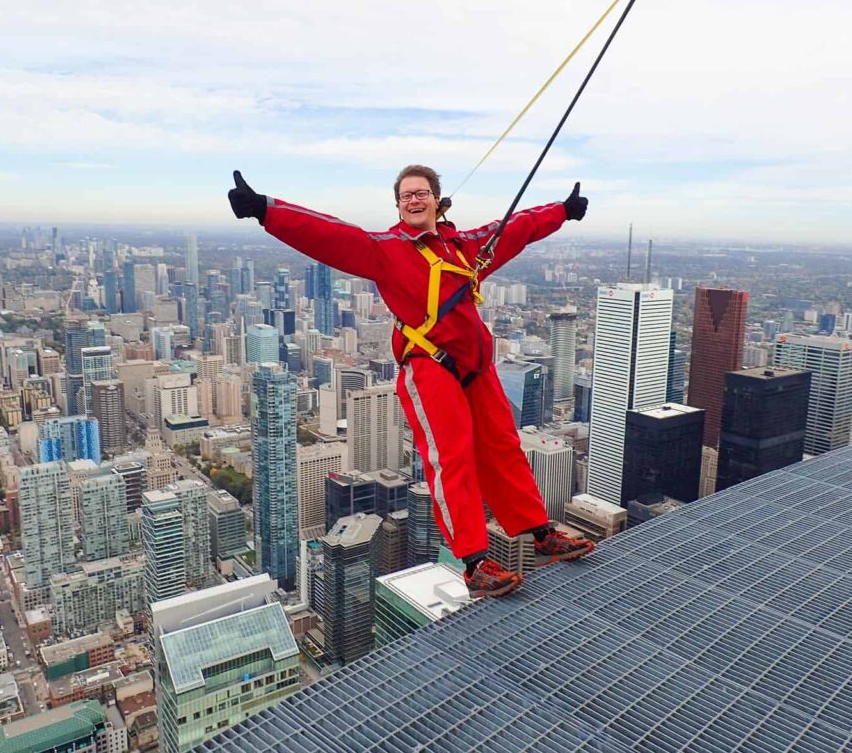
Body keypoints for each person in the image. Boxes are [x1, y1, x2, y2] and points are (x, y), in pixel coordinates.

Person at [229, 165, 595, 598]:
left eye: (421, 193)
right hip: (430, 366)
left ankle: (539, 533)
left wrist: (562, 211)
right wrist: (266, 210)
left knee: (503, 448)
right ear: (399, 205)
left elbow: (515, 228)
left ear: (438, 200)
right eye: (405, 196)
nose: (413, 200)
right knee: (451, 457)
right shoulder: (386, 250)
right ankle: (476, 563)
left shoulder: (467, 246)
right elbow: (329, 234)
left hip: (476, 365)